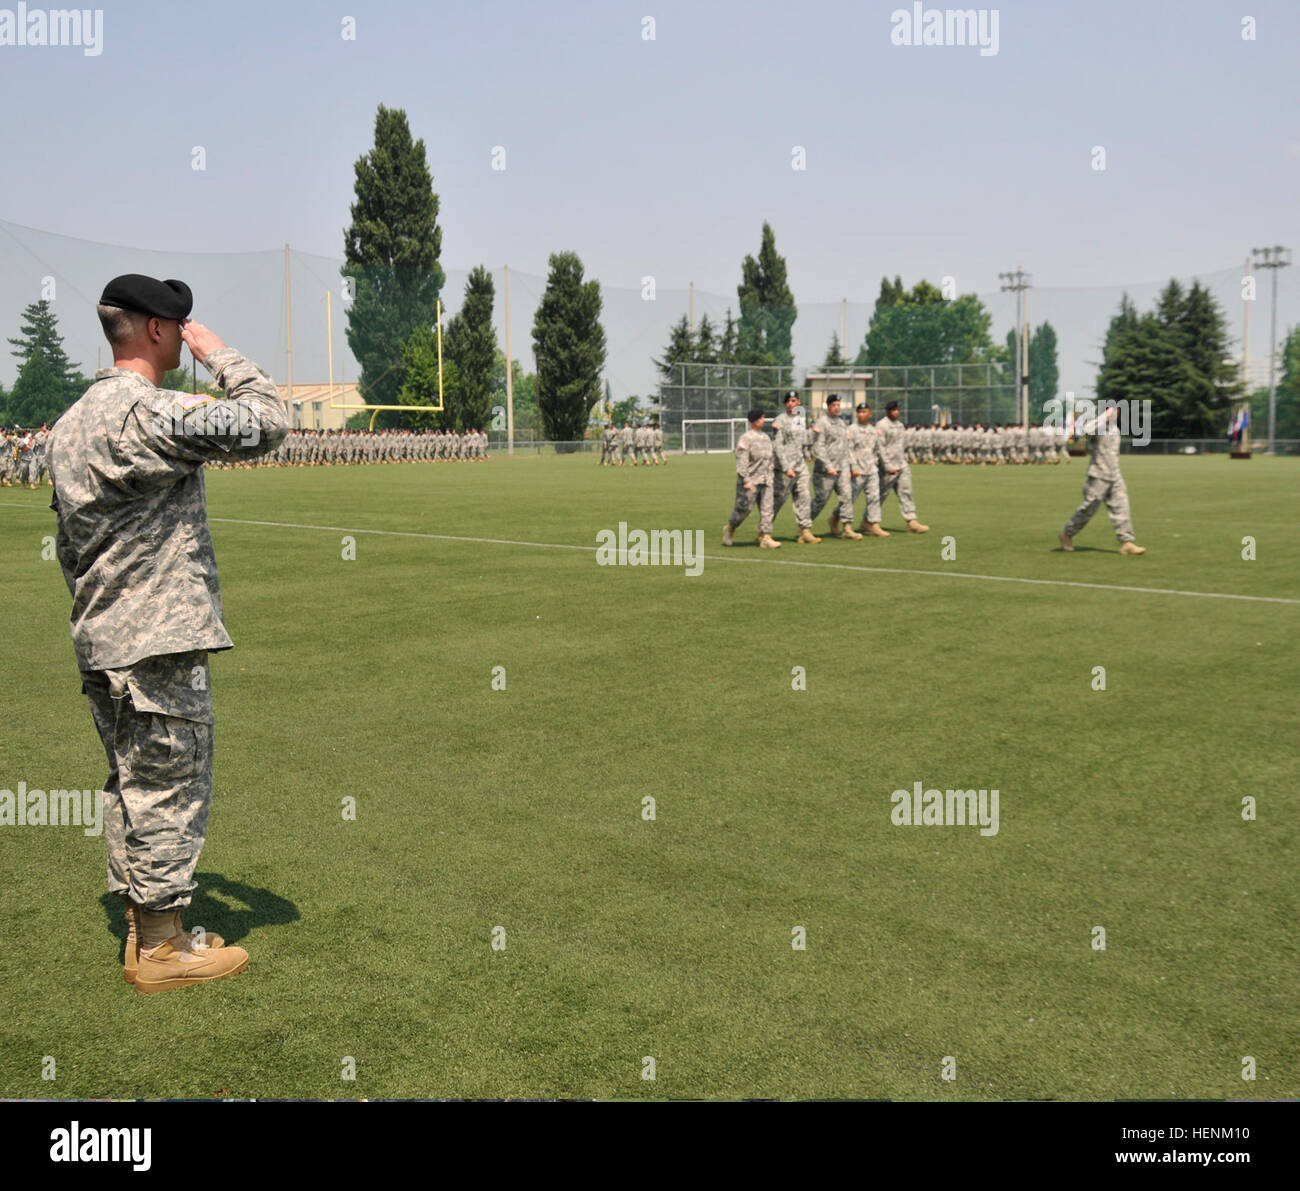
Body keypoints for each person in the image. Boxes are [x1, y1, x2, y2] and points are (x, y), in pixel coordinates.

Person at [47, 273, 289, 993]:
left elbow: (67, 546)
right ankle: (161, 951)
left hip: (102, 635)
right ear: (156, 329)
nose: (184, 334)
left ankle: (146, 931)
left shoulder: (69, 424)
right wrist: (218, 353)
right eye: (178, 325)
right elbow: (267, 420)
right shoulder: (147, 413)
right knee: (168, 789)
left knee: (132, 785)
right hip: (155, 641)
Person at [1059, 404, 1146, 554]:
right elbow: (1086, 430)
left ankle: (1126, 542)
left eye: (1116, 411)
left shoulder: (1115, 430)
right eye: (1112, 411)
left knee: (1122, 507)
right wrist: (1103, 417)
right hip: (1099, 475)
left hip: (1114, 475)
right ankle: (1067, 534)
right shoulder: (1097, 428)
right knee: (1088, 508)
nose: (1115, 414)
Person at [722, 408, 781, 549]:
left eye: (763, 417)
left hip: (766, 480)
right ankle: (730, 528)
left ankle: (766, 537)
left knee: (768, 510)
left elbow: (770, 459)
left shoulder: (766, 437)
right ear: (753, 420)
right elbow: (741, 460)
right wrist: (746, 480)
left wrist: (771, 477)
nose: (763, 420)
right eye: (760, 418)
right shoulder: (746, 438)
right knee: (744, 509)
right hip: (751, 481)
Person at [770, 390, 820, 544]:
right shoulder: (780, 420)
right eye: (788, 401)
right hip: (785, 468)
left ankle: (804, 530)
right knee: (778, 500)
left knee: (804, 497)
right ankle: (764, 529)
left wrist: (808, 453)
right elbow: (777, 446)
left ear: (799, 402)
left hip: (799, 465)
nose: (791, 404)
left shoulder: (799, 418)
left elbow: (801, 440)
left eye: (793, 401)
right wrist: (786, 467)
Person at [809, 396, 862, 539]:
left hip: (842, 467)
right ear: (828, 406)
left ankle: (847, 528)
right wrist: (828, 466)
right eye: (834, 405)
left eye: (838, 405)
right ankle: (804, 525)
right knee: (821, 500)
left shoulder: (841, 423)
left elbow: (847, 447)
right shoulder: (822, 423)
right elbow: (818, 447)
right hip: (825, 470)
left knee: (847, 496)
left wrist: (853, 466)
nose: (837, 408)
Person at [876, 401, 929, 533]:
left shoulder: (899, 425)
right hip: (888, 467)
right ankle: (869, 521)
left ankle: (912, 521)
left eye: (897, 409)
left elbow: (900, 445)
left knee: (906, 492)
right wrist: (887, 466)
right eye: (893, 410)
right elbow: (880, 448)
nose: (896, 412)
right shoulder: (882, 425)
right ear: (888, 411)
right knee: (880, 495)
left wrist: (903, 461)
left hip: (901, 464)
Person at [847, 402, 889, 537]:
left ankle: (873, 524)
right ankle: (836, 518)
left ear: (870, 414)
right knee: (850, 498)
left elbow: (876, 449)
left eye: (864, 412)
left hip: (871, 469)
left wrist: (876, 464)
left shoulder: (873, 430)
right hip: (857, 471)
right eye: (859, 412)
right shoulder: (851, 430)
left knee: (874, 497)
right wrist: (853, 467)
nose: (861, 414)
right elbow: (848, 450)